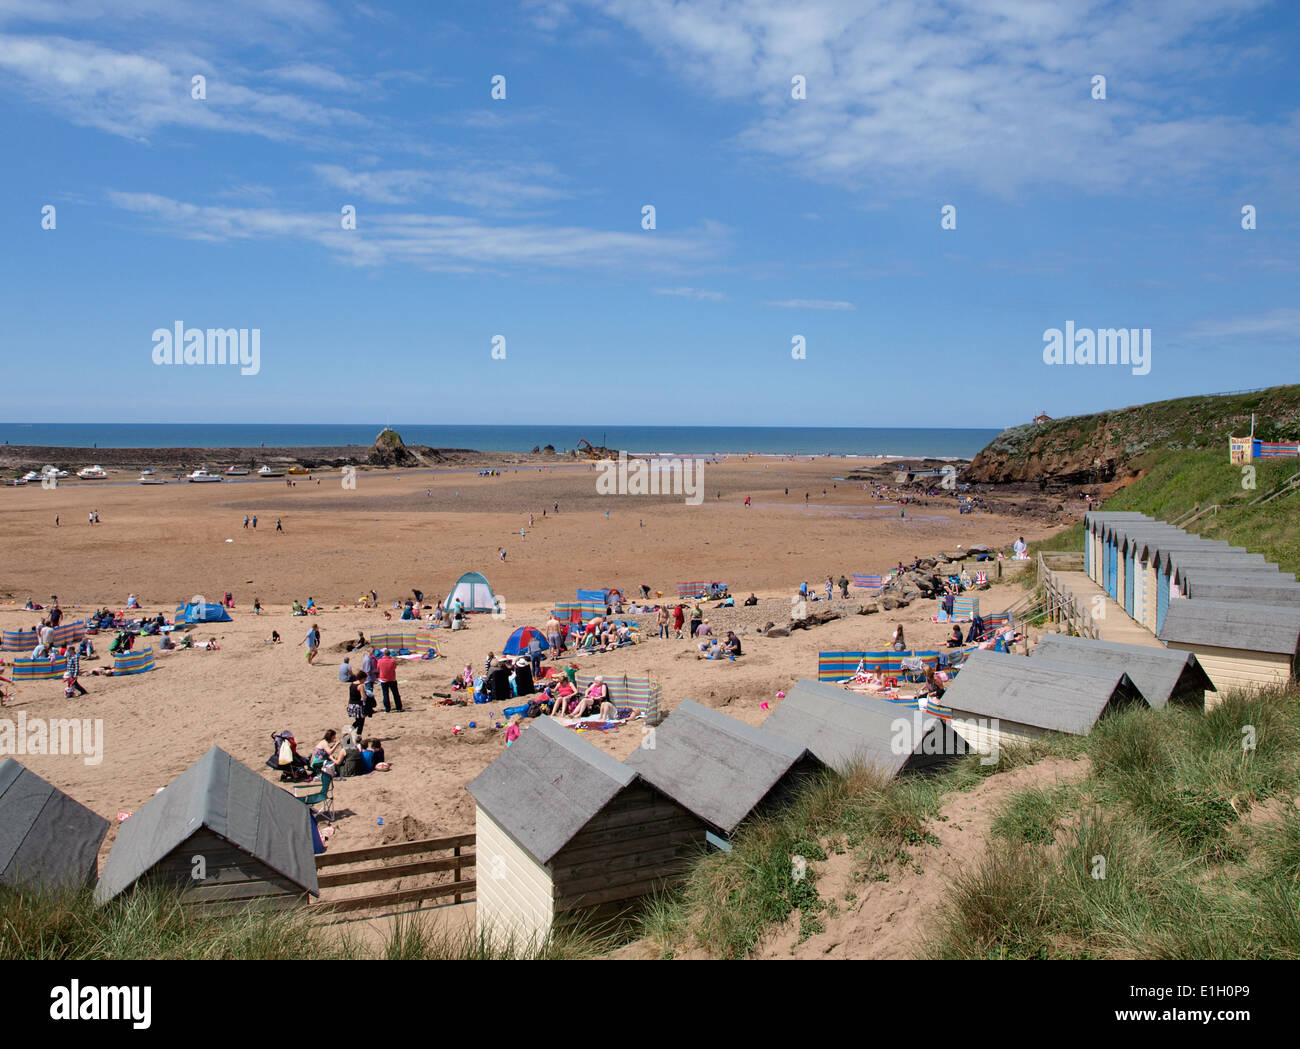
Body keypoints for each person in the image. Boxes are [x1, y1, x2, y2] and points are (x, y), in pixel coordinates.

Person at [346, 672, 368, 736]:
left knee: (358, 721)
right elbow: (363, 697)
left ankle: (353, 733)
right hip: (358, 705)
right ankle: (356, 735)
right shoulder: (360, 686)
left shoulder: (352, 684)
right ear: (363, 678)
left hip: (351, 705)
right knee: (360, 721)